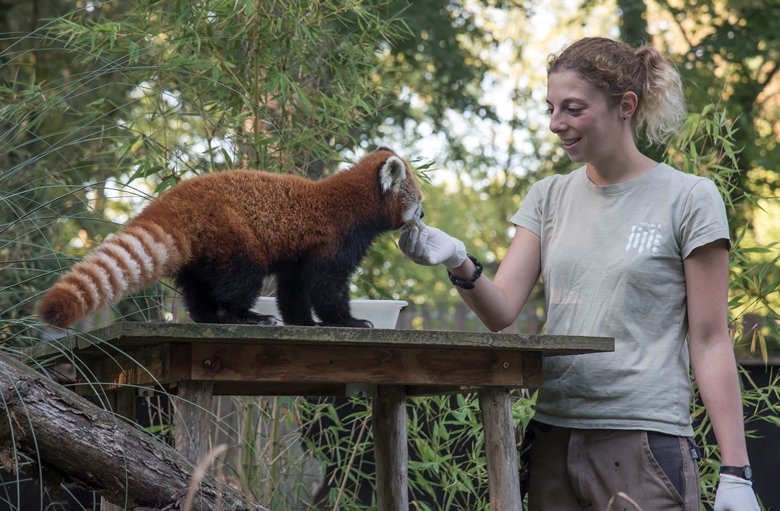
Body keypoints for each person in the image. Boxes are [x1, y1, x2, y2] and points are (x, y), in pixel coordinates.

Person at [398, 37, 760, 511]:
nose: (556, 124)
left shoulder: (689, 198)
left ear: (625, 106)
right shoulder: (548, 197)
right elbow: (502, 310)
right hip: (554, 437)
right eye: (551, 108)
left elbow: (711, 339)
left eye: (572, 109)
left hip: (642, 444)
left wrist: (736, 472)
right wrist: (457, 261)